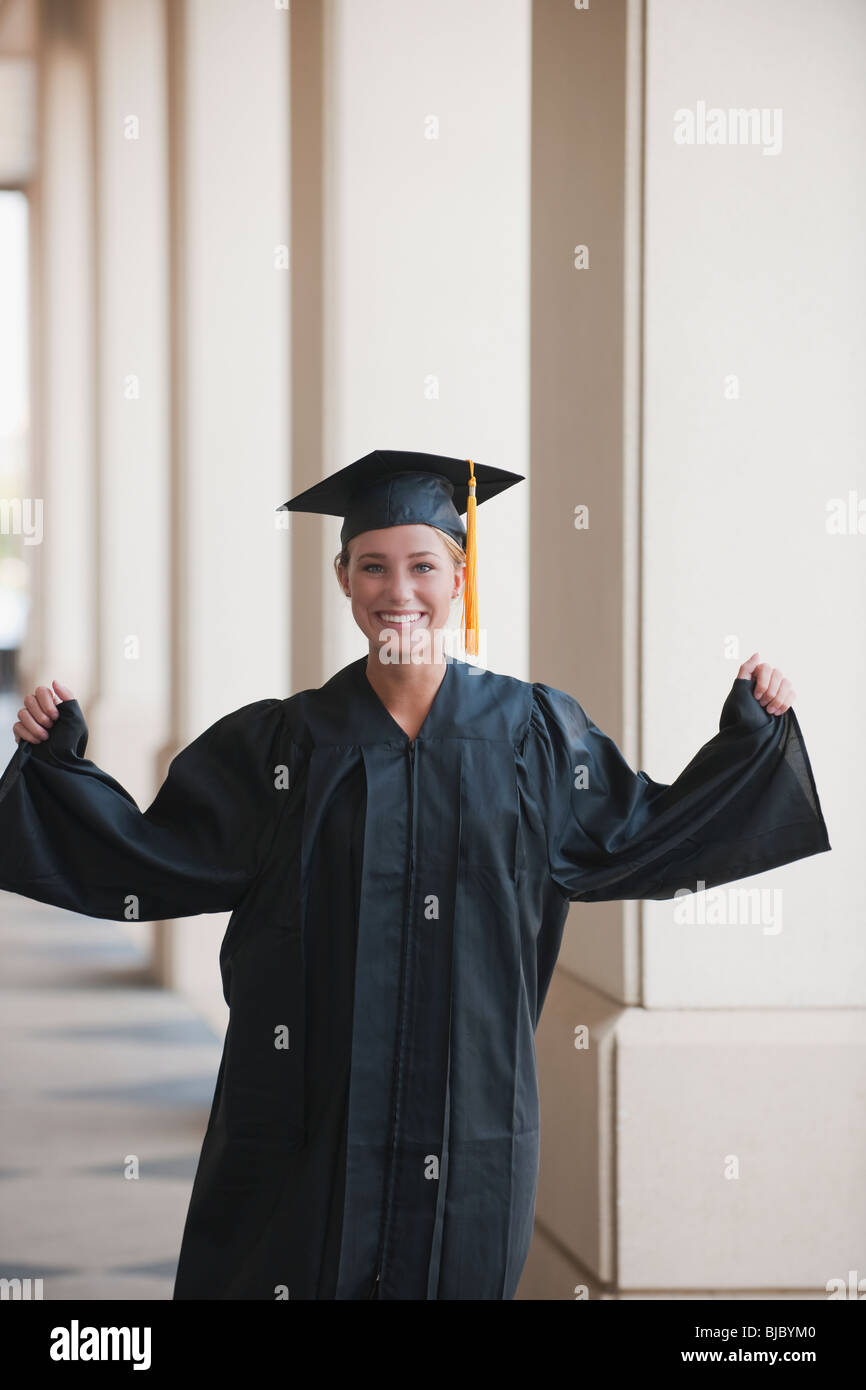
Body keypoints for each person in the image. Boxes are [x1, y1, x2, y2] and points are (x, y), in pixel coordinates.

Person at [0, 449, 831, 1300]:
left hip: (472, 1113)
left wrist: (752, 740)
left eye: (423, 565)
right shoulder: (287, 744)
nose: (399, 591)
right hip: (306, 1109)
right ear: (344, 578)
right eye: (374, 567)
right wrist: (56, 766)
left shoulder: (532, 735)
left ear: (460, 575)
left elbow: (643, 835)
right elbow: (159, 854)